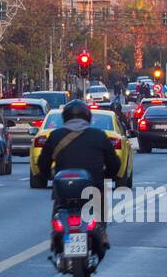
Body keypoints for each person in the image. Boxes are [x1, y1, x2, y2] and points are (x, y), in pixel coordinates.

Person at [36, 98, 120, 247]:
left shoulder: (55, 135)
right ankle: (102, 233)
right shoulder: (99, 135)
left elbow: (43, 163)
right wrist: (109, 175)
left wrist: (46, 176)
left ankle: (55, 233)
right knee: (99, 201)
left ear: (65, 117)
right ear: (87, 116)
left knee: (59, 205)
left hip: (64, 190)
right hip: (93, 187)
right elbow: (114, 163)